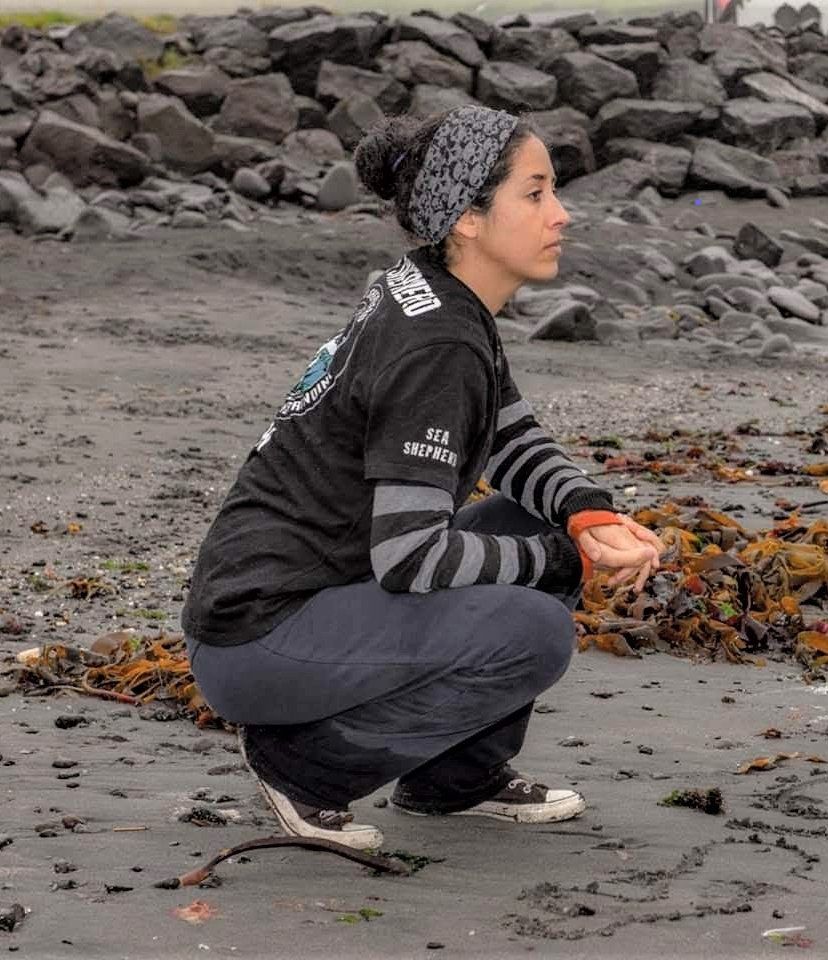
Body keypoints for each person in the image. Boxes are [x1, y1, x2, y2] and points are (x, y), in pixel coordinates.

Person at [181, 106, 665, 851]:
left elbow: (507, 433)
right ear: (468, 216)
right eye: (535, 194)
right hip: (261, 635)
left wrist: (586, 516)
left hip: (299, 604)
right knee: (534, 629)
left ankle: (454, 779)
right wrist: (563, 560)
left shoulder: (431, 291)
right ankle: (302, 769)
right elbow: (409, 559)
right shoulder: (437, 339)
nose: (561, 214)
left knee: (533, 526)